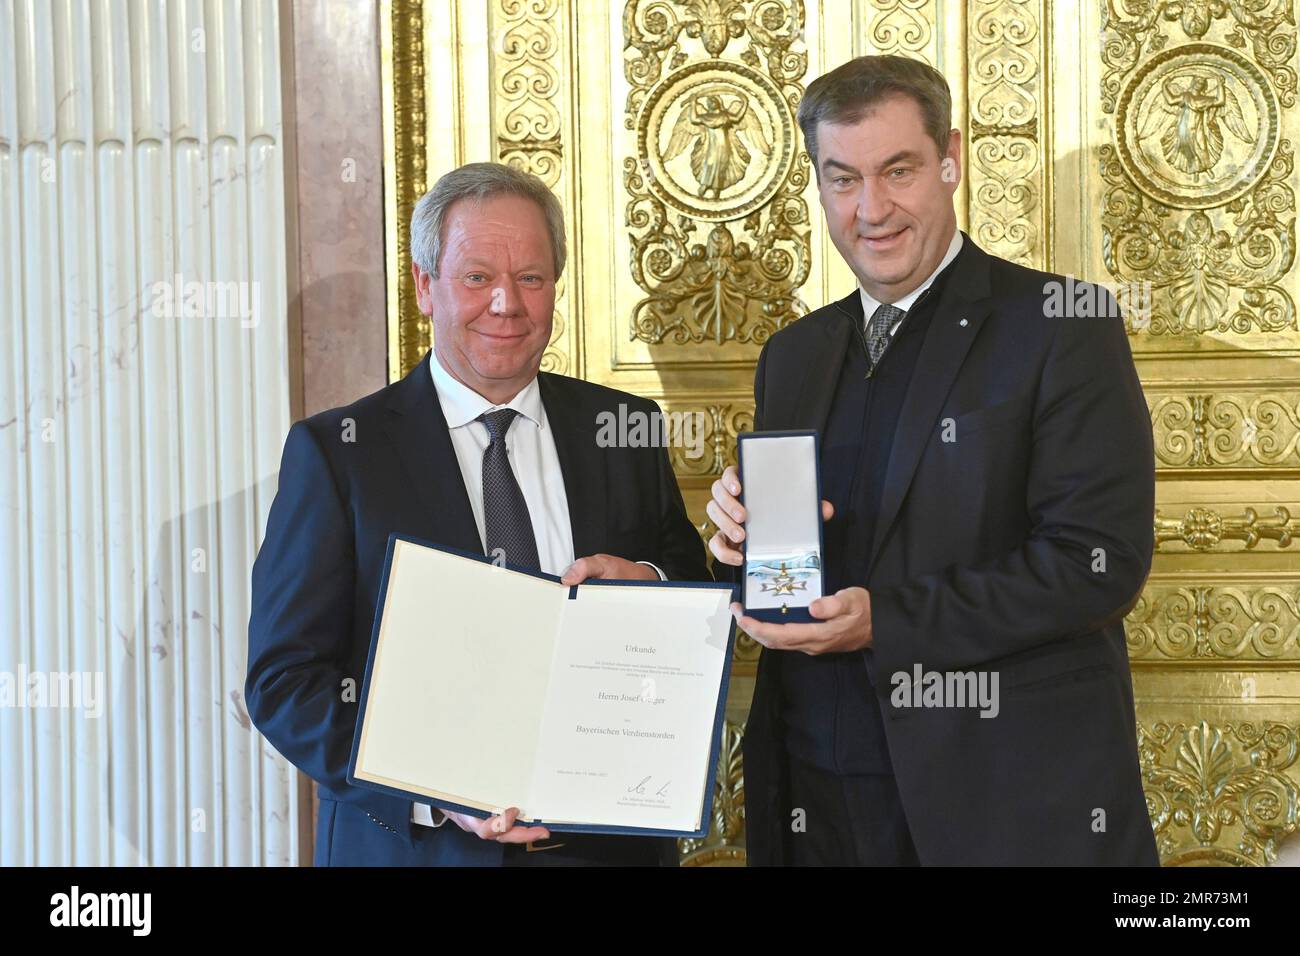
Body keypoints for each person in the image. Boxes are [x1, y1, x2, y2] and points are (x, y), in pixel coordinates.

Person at [708, 55, 1158, 866]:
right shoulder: (793, 355)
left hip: (1003, 808)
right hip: (821, 803)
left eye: (898, 171)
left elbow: (1099, 563)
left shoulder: (1062, 325)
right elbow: (802, 570)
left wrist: (890, 621)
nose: (870, 209)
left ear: (950, 159)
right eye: (842, 179)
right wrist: (740, 544)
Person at [247, 162, 707, 866]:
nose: (506, 304)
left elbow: (692, 594)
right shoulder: (339, 454)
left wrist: (649, 582)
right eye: (476, 277)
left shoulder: (623, 426)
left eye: (531, 278)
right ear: (425, 286)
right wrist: (432, 790)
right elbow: (284, 684)